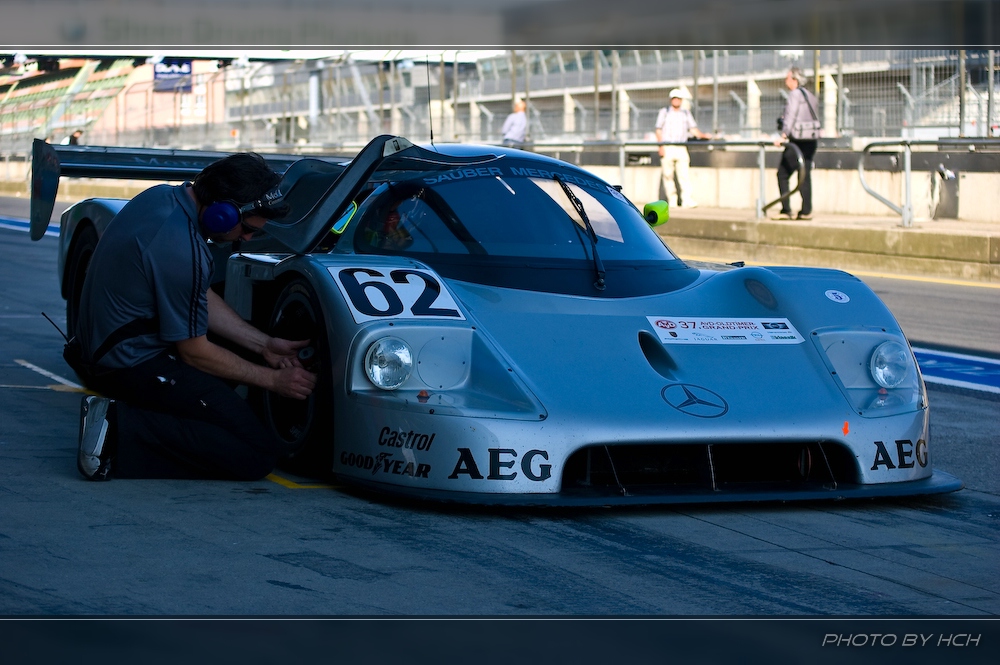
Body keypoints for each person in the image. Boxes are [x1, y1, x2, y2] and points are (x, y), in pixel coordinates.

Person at [71, 152, 317, 482]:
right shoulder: (181, 247)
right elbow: (195, 353)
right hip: (126, 367)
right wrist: (273, 381)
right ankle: (114, 432)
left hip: (108, 347)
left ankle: (161, 417)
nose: (247, 238)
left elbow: (194, 294)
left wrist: (264, 345)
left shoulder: (163, 198)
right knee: (255, 454)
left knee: (245, 359)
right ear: (221, 213)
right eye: (247, 229)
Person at [775, 67, 821, 221]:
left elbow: (791, 116)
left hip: (798, 141)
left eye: (787, 78)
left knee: (782, 174)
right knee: (804, 174)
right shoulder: (810, 95)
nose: (785, 81)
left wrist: (783, 135)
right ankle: (806, 210)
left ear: (794, 79)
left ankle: (786, 209)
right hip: (811, 140)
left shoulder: (794, 94)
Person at [654, 88, 709, 209]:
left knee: (684, 174)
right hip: (667, 146)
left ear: (681, 100)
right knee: (668, 175)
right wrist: (661, 146)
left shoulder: (686, 113)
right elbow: (658, 130)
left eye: (678, 98)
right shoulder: (664, 112)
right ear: (670, 99)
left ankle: (687, 200)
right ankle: (672, 200)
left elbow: (693, 129)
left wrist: (704, 136)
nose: (676, 100)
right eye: (674, 98)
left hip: (681, 147)